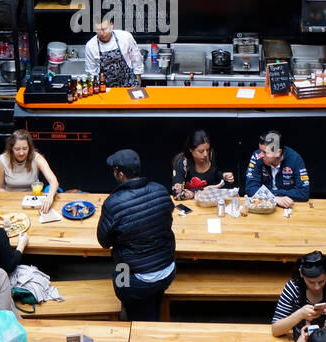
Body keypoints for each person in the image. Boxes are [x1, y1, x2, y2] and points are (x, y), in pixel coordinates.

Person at [97, 149, 176, 320]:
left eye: (114, 170)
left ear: (120, 173)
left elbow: (104, 242)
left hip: (136, 283)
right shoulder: (161, 191)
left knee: (119, 275)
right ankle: (151, 301)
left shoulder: (113, 203)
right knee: (150, 295)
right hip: (168, 270)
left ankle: (133, 313)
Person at [270, 251, 326, 339]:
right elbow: (276, 330)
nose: (317, 287)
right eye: (311, 282)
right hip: (302, 340)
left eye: (321, 281)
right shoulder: (293, 288)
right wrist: (300, 314)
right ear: (301, 274)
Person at [0, 129, 59, 209]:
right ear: (11, 149)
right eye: (17, 149)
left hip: (31, 200)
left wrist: (50, 197)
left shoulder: (37, 158)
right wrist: (15, 199)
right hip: (10, 199)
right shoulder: (2, 160)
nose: (21, 153)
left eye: (25, 149)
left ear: (29, 148)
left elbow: (54, 181)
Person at [244, 130, 310, 207]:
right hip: (263, 206)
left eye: (265, 152)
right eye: (260, 150)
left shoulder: (295, 159)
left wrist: (275, 194)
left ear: (278, 152)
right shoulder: (257, 157)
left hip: (288, 205)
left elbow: (303, 192)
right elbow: (250, 188)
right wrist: (274, 198)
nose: (260, 155)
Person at [171, 129, 235, 200]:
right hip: (189, 203)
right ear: (191, 149)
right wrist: (204, 190)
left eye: (207, 150)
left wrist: (222, 175)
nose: (205, 154)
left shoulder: (211, 155)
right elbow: (177, 194)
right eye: (201, 151)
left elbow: (213, 172)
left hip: (209, 201)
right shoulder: (182, 162)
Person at [84, 18, 144, 87]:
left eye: (105, 29)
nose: (102, 33)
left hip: (129, 84)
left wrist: (138, 83)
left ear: (111, 25)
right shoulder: (91, 46)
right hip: (105, 88)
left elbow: (136, 60)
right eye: (98, 30)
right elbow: (91, 73)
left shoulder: (125, 37)